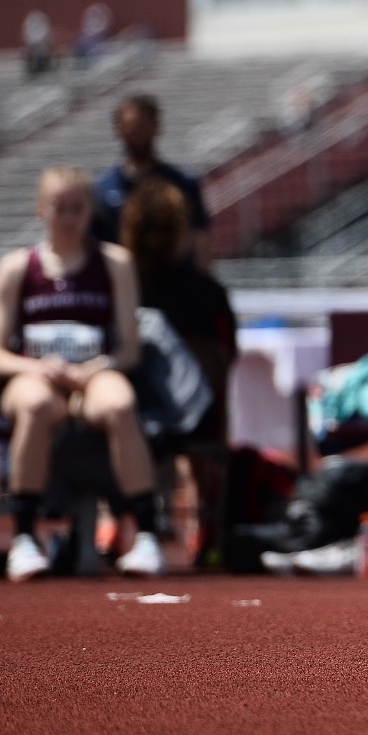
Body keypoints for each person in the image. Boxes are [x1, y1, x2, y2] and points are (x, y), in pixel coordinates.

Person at [0, 167, 162, 581]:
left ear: (89, 211)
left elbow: (129, 349)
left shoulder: (115, 263)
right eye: (59, 208)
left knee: (120, 404)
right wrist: (38, 367)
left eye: (77, 209)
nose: (68, 218)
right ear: (41, 210)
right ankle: (24, 538)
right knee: (34, 404)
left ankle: (147, 535)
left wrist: (97, 367)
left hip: (92, 375)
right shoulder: (16, 268)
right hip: (36, 376)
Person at [121, 178, 237, 564]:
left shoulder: (122, 290)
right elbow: (228, 356)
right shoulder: (207, 293)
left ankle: (109, 521)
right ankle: (208, 525)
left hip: (136, 419)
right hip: (197, 419)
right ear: (181, 233)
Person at [91, 94, 211, 268]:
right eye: (131, 126)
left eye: (143, 125)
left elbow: (199, 238)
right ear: (118, 130)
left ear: (156, 127)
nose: (137, 133)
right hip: (122, 279)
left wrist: (203, 280)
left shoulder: (181, 183)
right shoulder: (102, 190)